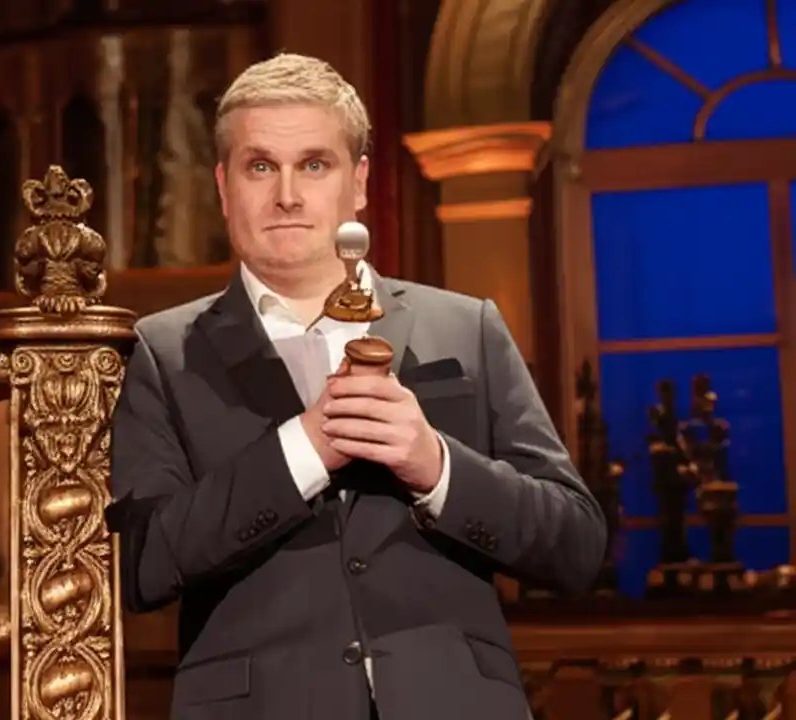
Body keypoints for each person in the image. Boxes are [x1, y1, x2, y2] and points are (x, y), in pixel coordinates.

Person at [104, 53, 606, 719]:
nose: (288, 194)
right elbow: (142, 567)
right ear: (224, 186)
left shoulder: (467, 326)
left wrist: (437, 467)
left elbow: (576, 547)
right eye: (261, 166)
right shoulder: (164, 351)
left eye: (314, 164)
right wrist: (304, 450)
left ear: (359, 182)